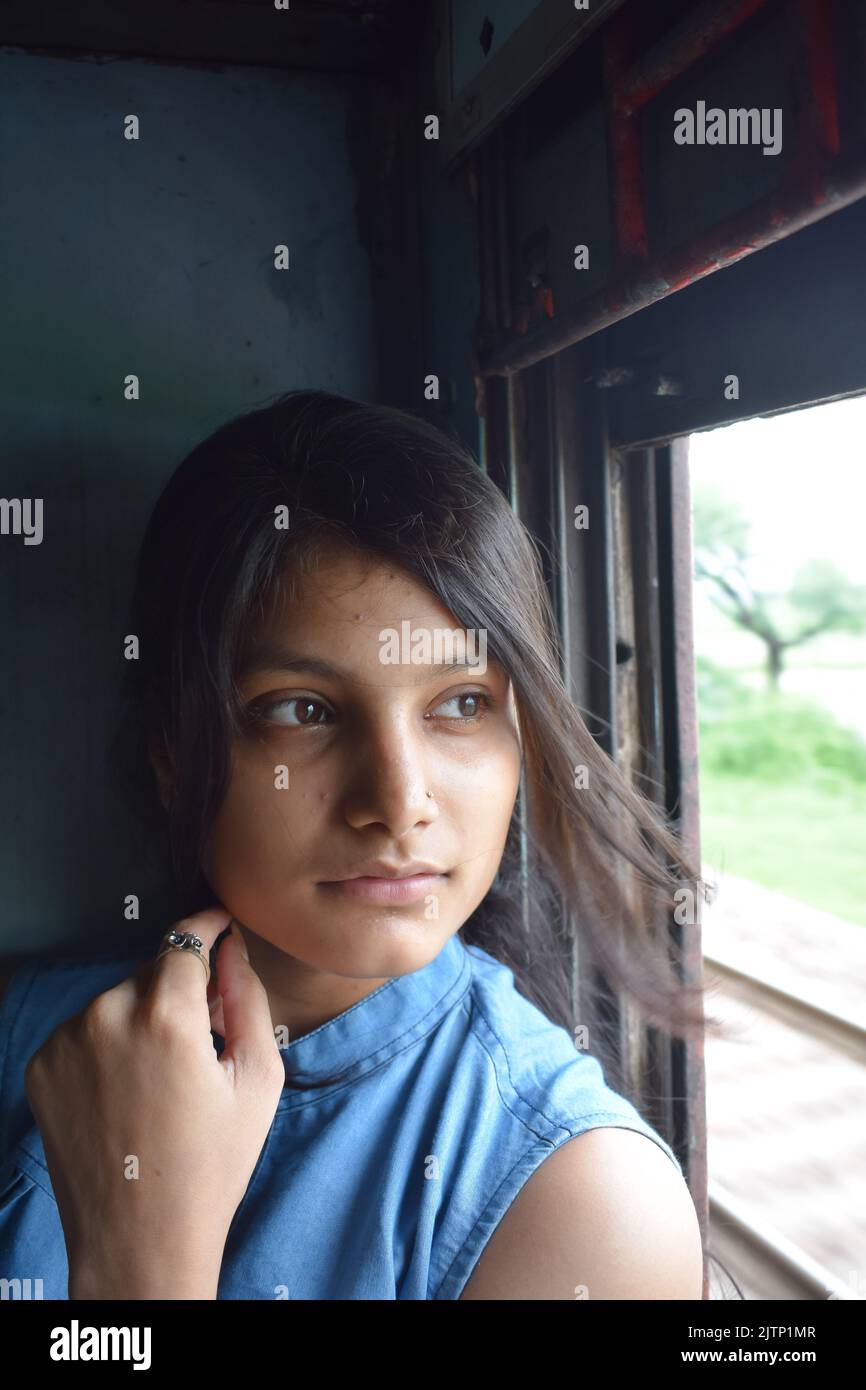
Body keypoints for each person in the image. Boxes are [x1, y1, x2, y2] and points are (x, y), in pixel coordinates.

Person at [0, 389, 707, 1300]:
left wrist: (143, 1271)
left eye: (460, 703)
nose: (399, 802)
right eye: (304, 711)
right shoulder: (34, 1032)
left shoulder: (594, 1207)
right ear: (172, 757)